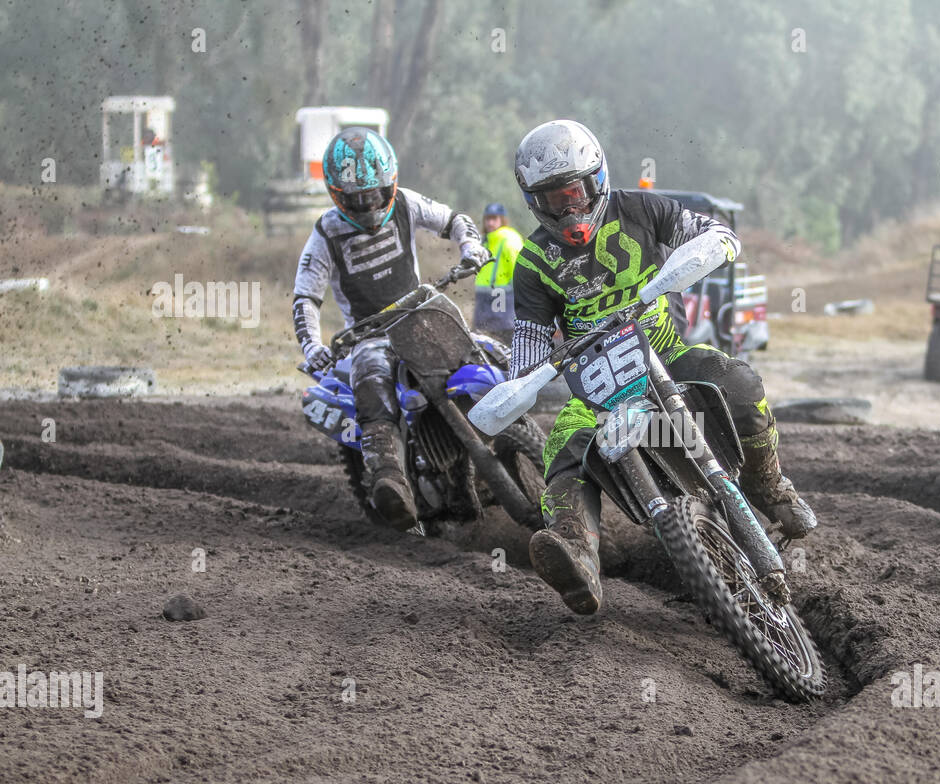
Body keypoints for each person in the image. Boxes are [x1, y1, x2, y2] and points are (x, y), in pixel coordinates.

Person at [508, 119, 816, 615]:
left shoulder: (642, 209)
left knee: (741, 381)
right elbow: (529, 334)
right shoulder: (534, 261)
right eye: (552, 199)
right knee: (563, 452)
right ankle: (578, 555)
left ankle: (767, 482)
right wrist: (523, 375)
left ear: (597, 179)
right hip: (597, 388)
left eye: (576, 192)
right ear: (533, 201)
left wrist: (717, 242)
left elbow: (709, 231)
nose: (568, 208)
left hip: (666, 352)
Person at [292, 127, 489, 529]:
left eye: (374, 194)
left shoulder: (406, 203)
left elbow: (453, 220)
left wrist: (471, 247)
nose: (367, 205)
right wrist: (312, 347)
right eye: (356, 199)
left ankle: (497, 435)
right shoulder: (326, 232)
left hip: (418, 315)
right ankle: (389, 477)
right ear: (337, 195)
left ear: (391, 183)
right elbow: (305, 298)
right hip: (367, 335)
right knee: (373, 379)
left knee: (479, 350)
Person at [472, 201, 524, 339]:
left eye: (494, 218)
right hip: (483, 299)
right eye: (488, 219)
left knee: (502, 340)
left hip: (502, 298)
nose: (490, 223)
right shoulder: (484, 241)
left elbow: (521, 271)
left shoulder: (509, 239)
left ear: (502, 220)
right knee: (480, 340)